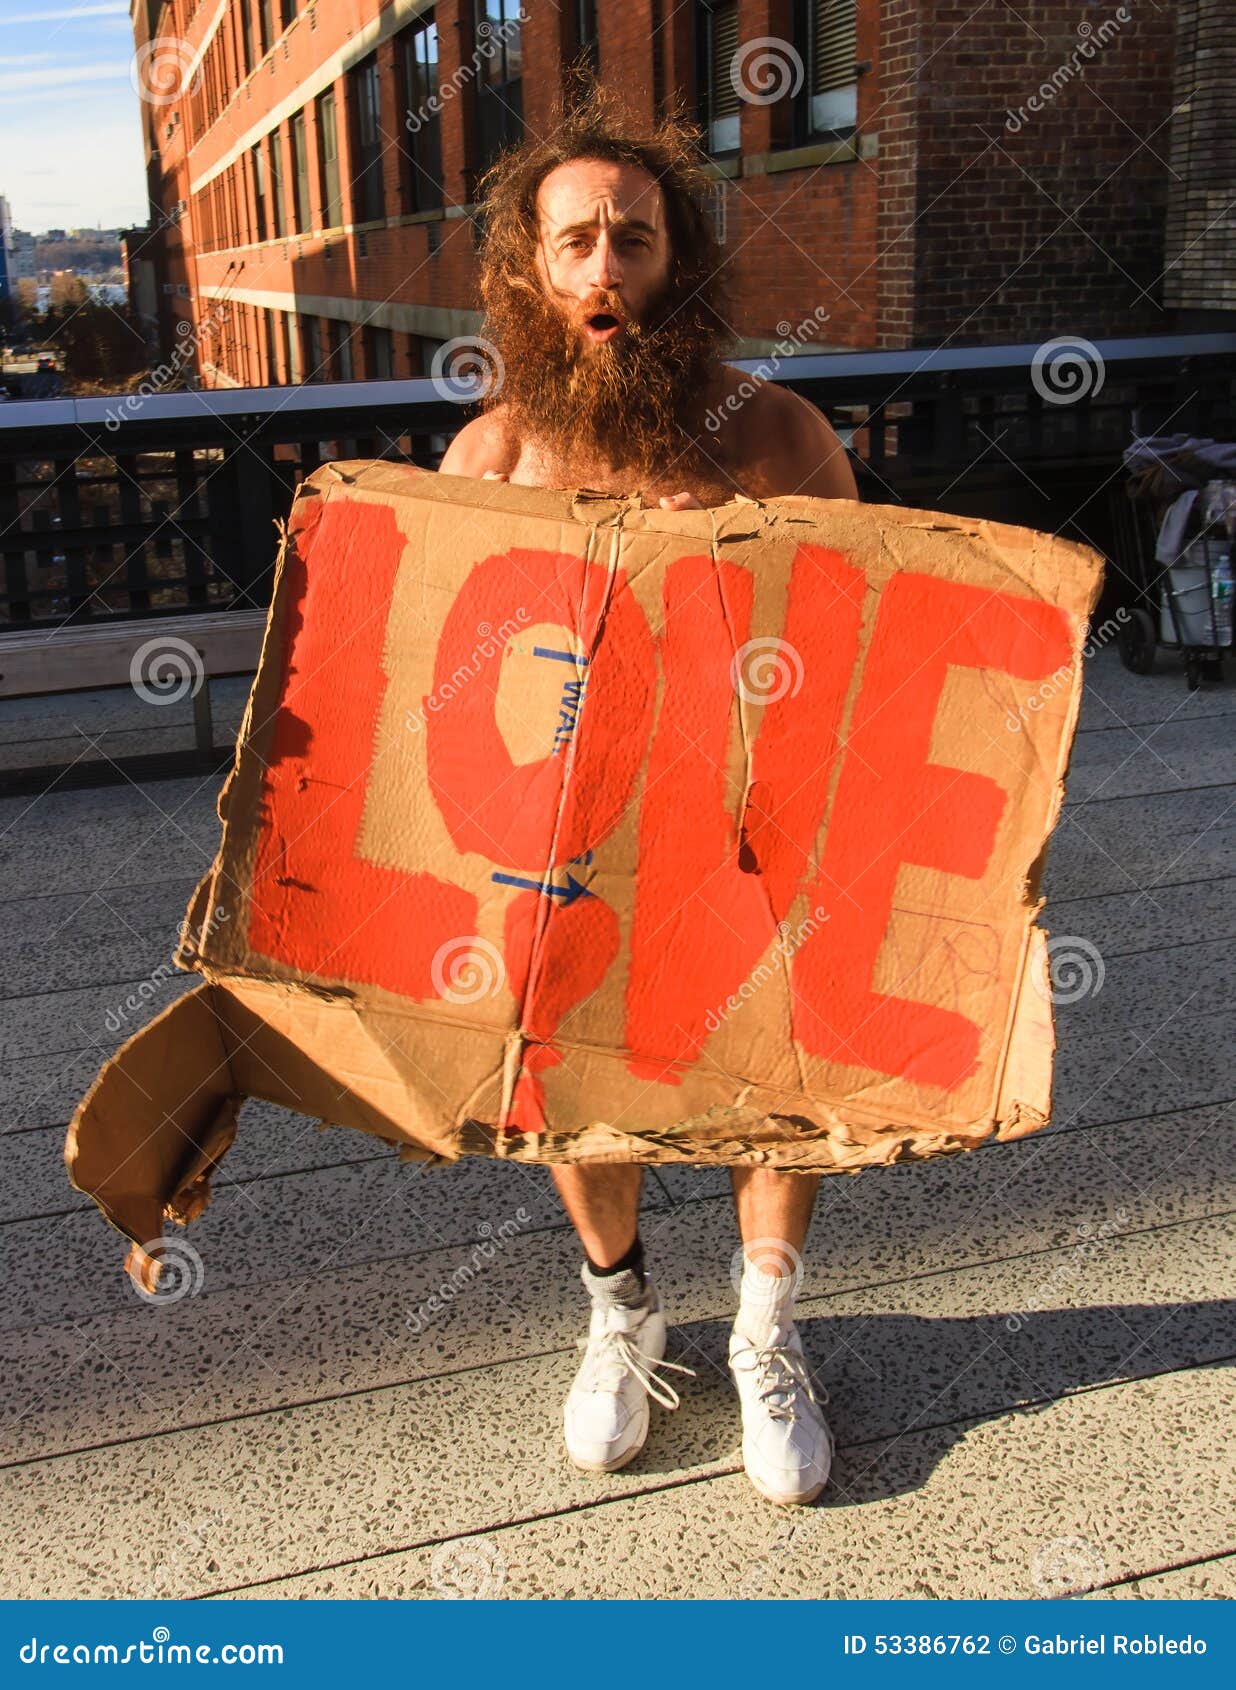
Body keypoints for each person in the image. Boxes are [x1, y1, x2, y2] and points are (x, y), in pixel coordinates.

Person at [438, 89, 859, 1507]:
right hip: (567, 844)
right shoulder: (489, 459)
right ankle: (622, 1312)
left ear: (680, 262)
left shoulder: (777, 434)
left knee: (770, 1088)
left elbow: (873, 637)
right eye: (576, 244)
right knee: (576, 1089)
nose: (606, 268)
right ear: (532, 272)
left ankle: (765, 1329)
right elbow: (437, 687)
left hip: (749, 833)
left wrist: (738, 558)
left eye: (635, 237)